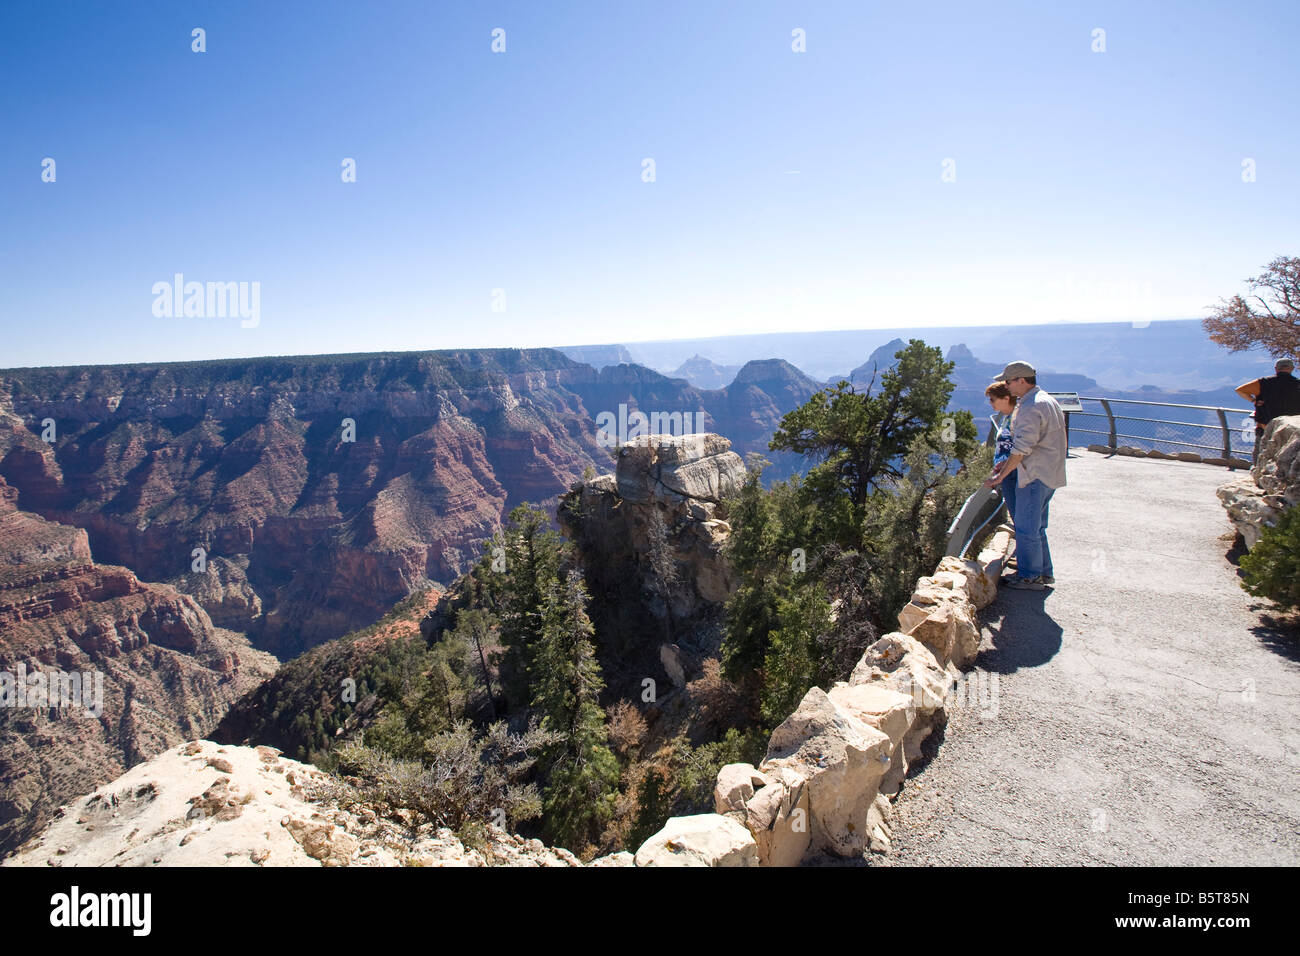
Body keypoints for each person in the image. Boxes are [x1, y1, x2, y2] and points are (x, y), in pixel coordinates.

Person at [982, 361, 1066, 591]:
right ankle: (1044, 572)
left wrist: (1000, 477)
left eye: (1008, 382)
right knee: (1037, 527)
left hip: (1033, 475)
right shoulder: (1047, 400)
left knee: (1026, 527)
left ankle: (1030, 577)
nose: (1006, 387)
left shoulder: (1030, 407)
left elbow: (1020, 450)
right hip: (1049, 473)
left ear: (1021, 380)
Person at [1235, 358, 1300, 460]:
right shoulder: (1298, 384)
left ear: (1276, 369)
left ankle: (1257, 472)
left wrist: (1253, 400)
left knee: (1261, 453)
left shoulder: (1263, 383)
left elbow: (1240, 390)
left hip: (1266, 425)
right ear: (1292, 369)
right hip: (1290, 429)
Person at [984, 380, 1018, 526]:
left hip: (1012, 473)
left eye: (993, 399)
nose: (991, 403)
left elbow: (1020, 448)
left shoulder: (1017, 419)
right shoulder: (1006, 417)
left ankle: (1025, 548)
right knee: (1017, 515)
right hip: (1006, 473)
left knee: (1020, 517)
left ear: (1006, 398)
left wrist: (1001, 471)